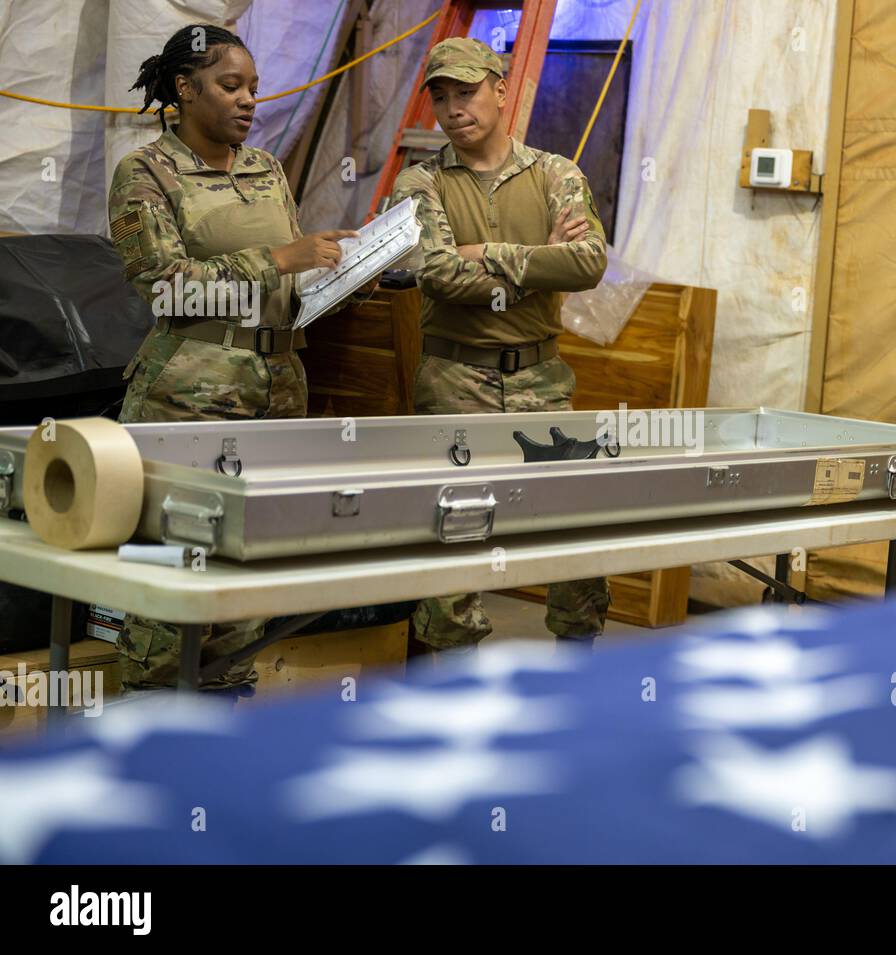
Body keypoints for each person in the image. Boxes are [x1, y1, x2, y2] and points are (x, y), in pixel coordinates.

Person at [107, 23, 374, 693]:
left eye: (254, 87)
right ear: (184, 88)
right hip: (189, 394)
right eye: (231, 86)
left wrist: (345, 272)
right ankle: (154, 722)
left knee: (243, 571)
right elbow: (164, 284)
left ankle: (226, 717)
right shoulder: (146, 172)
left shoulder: (265, 169)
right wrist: (280, 258)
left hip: (278, 389)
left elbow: (283, 287)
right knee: (174, 563)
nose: (249, 99)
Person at [391, 37, 610, 657]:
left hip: (541, 382)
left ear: (501, 90)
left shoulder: (554, 173)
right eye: (441, 96)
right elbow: (438, 275)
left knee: (576, 525)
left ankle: (579, 658)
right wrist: (541, 257)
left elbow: (589, 261)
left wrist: (485, 252)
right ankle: (452, 675)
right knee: (454, 529)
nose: (454, 107)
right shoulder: (420, 182)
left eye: (467, 91)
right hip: (453, 382)